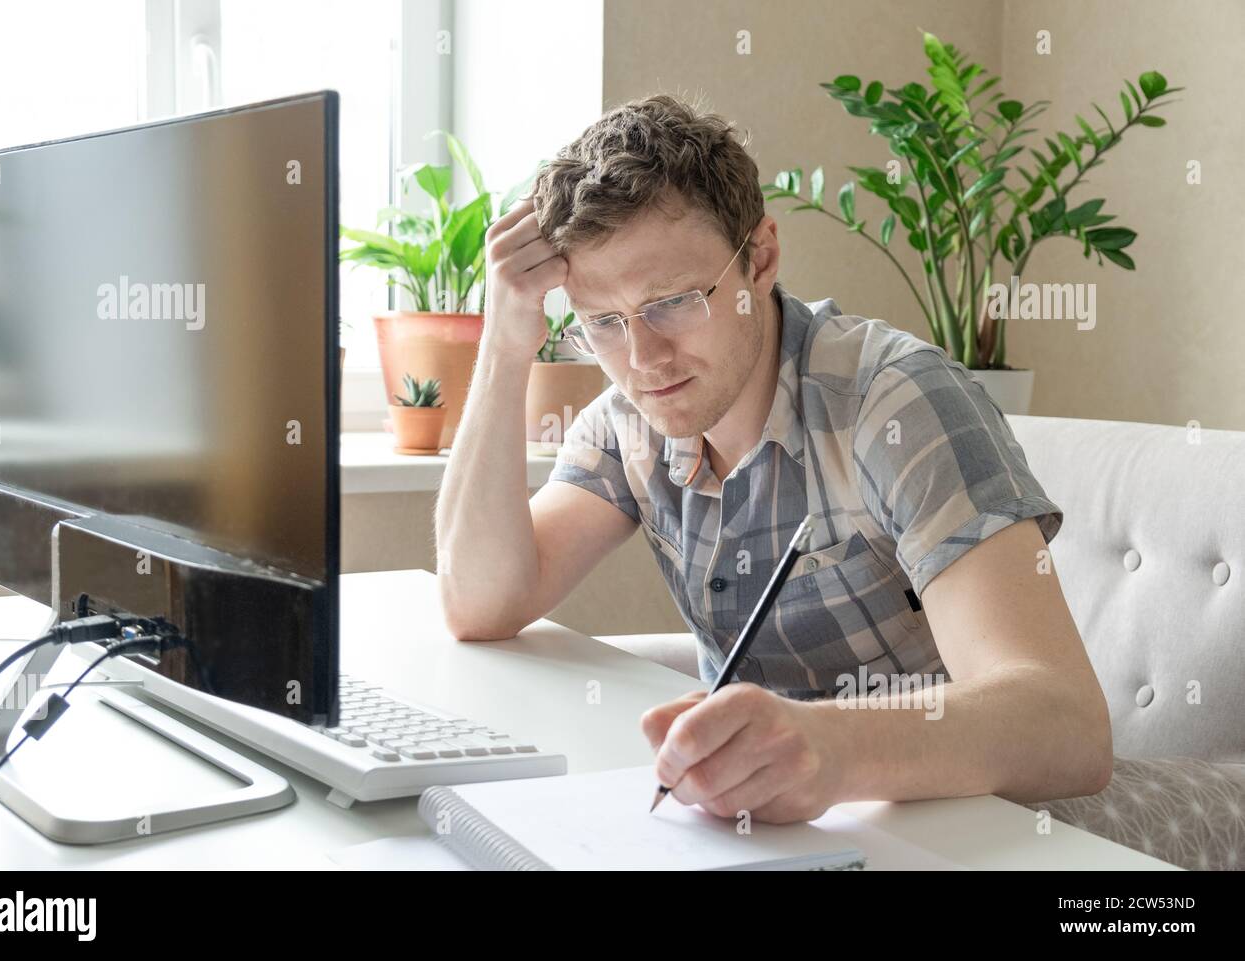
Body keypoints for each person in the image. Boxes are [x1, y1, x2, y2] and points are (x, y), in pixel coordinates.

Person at [435, 94, 1111, 824]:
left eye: (674, 300)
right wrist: (505, 347)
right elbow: (482, 601)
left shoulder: (895, 404)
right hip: (792, 827)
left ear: (760, 257)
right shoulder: (631, 422)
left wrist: (829, 744)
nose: (642, 358)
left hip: (991, 817)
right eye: (603, 322)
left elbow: (1066, 723)